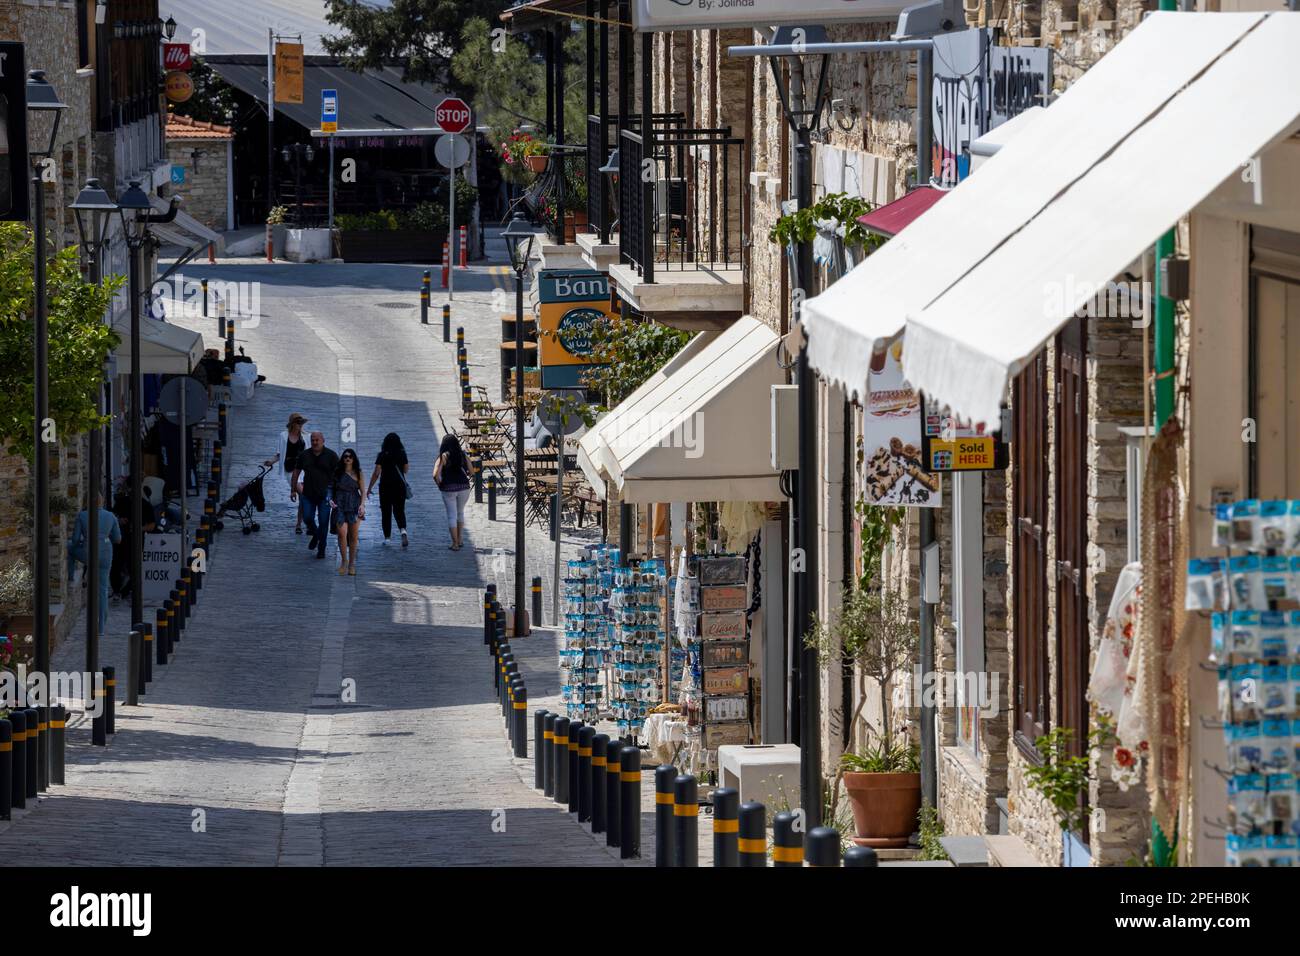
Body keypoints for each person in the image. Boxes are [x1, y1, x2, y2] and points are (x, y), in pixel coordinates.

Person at [67, 493, 121, 637]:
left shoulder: (82, 515)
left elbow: (74, 539)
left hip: (88, 553)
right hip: (106, 553)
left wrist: (82, 541)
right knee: (102, 589)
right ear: (102, 501)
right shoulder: (111, 516)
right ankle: (101, 627)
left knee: (68, 549)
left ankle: (70, 577)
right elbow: (117, 538)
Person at [291, 431, 339, 559]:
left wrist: (337, 493)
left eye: (317, 440)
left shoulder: (332, 456)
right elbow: (296, 472)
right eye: (312, 440)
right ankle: (316, 535)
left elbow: (339, 475)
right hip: (308, 494)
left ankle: (322, 547)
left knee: (324, 522)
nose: (315, 442)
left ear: (323, 440)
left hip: (325, 496)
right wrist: (293, 490)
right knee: (307, 518)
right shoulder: (304, 455)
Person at [366, 432, 410, 547]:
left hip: (385, 487)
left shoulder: (382, 455)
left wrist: (369, 488)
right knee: (399, 510)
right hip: (400, 486)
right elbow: (405, 470)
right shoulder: (402, 454)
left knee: (386, 512)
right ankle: (403, 530)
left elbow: (376, 473)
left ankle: (387, 538)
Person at [433, 434, 472, 551]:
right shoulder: (463, 454)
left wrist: (439, 484)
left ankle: (454, 544)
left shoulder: (443, 456)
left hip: (448, 488)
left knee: (452, 515)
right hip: (464, 487)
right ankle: (460, 539)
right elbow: (472, 471)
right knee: (460, 513)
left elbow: (435, 475)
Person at [330, 449, 365, 575]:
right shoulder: (337, 473)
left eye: (350, 457)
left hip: (354, 505)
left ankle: (351, 564)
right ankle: (344, 562)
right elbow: (330, 487)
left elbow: (363, 491)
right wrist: (330, 499)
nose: (348, 458)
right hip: (339, 505)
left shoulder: (358, 473)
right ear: (342, 459)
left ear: (354, 458)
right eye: (345, 456)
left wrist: (362, 505)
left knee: (353, 536)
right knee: (341, 534)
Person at [280, 413, 309, 534]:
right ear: (292, 424)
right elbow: (279, 453)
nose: (299, 425)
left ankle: (300, 524)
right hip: (290, 469)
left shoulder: (306, 436)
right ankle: (307, 521)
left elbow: (311, 452)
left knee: (304, 497)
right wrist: (271, 461)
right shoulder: (283, 436)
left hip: (304, 469)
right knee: (304, 494)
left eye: (301, 423)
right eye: (298, 423)